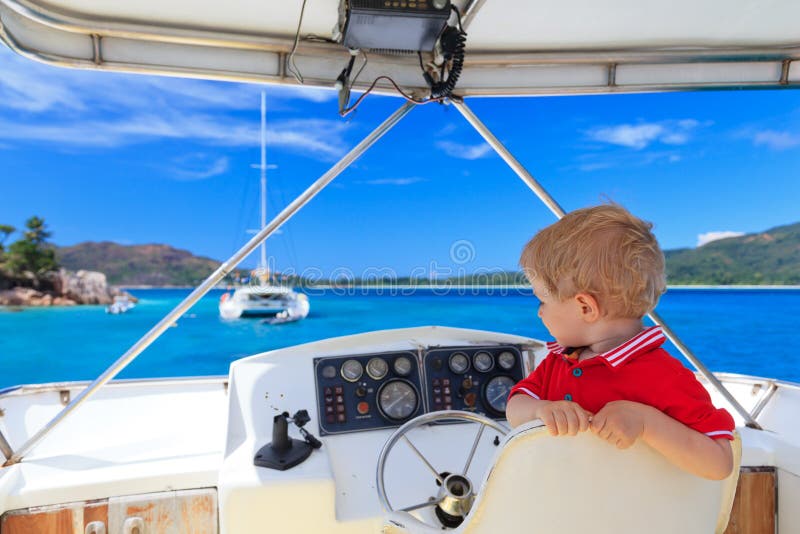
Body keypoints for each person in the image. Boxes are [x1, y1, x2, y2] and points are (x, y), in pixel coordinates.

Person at [505, 204, 735, 480]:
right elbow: (514, 408)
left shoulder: (663, 376)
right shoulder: (560, 361)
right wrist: (541, 409)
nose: (540, 311)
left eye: (543, 300)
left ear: (586, 308)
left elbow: (719, 463)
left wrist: (647, 422)